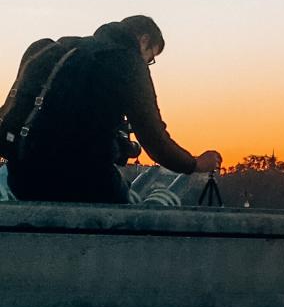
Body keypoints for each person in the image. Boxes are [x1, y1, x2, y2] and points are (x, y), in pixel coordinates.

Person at [6, 15, 221, 205]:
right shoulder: (127, 61)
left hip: (22, 179)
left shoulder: (57, 49)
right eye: (151, 57)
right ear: (144, 40)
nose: (147, 63)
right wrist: (195, 164)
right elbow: (155, 139)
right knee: (131, 203)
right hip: (86, 183)